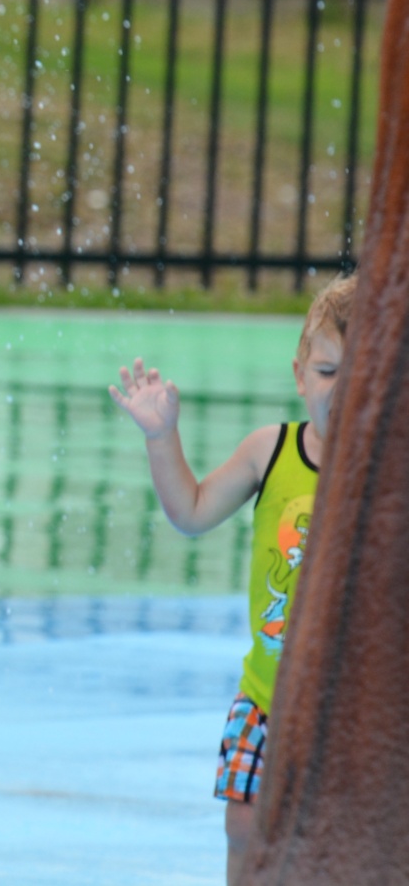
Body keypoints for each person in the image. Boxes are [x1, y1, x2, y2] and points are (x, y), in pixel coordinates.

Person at [108, 274, 355, 886]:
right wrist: (162, 438)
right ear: (299, 374)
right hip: (267, 695)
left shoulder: (390, 465)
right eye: (327, 372)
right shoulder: (269, 451)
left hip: (358, 707)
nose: (343, 389)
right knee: (243, 825)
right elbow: (190, 512)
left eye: (364, 372)